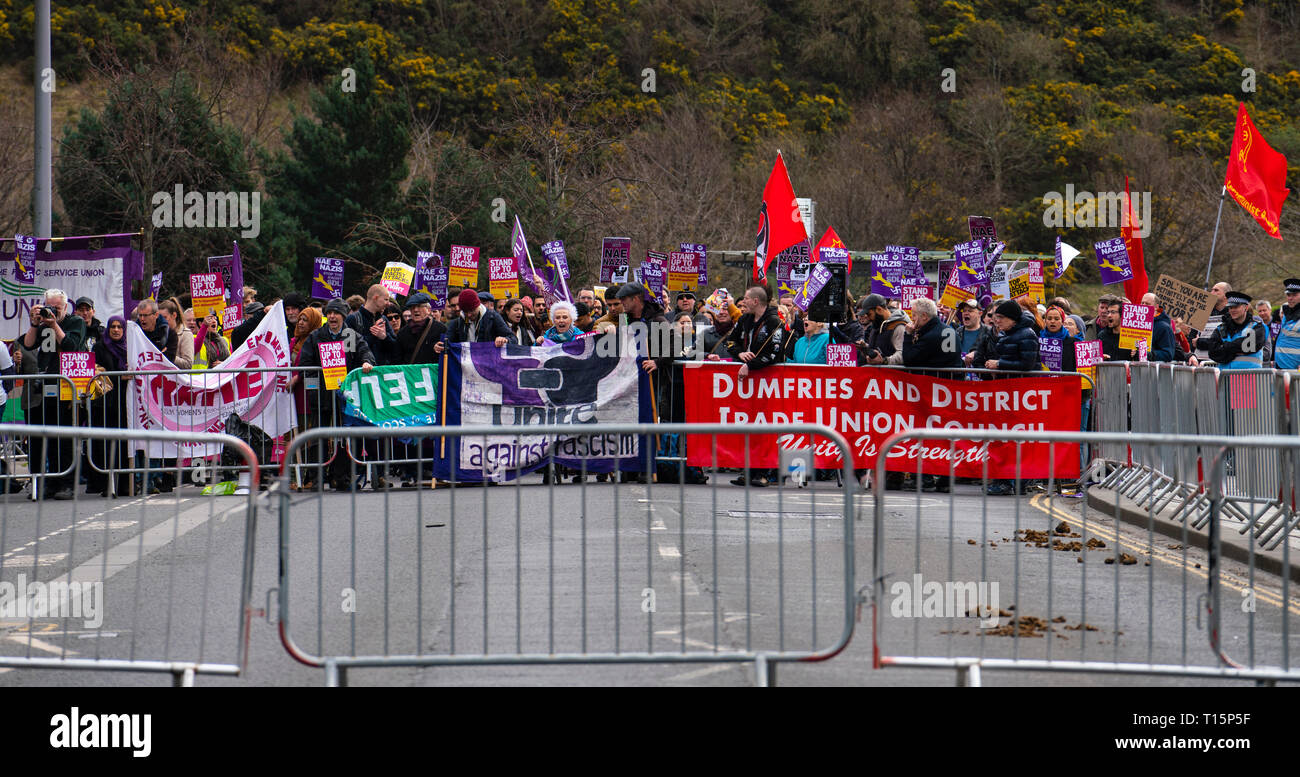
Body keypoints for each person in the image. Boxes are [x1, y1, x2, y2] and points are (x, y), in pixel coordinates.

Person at [294, 298, 376, 491]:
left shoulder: (352, 336)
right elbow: (305, 365)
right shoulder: (316, 336)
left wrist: (366, 362)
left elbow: (366, 353)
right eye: (329, 312)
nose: (332, 316)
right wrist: (322, 376)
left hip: (345, 397)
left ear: (343, 316)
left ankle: (342, 477)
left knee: (344, 437)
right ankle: (317, 478)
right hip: (322, 396)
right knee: (318, 437)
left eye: (336, 313)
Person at [711, 286, 784, 487]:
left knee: (765, 428)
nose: (741, 303)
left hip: (768, 384)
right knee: (747, 426)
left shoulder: (774, 321)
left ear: (755, 301)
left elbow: (774, 354)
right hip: (746, 383)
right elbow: (731, 342)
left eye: (745, 299)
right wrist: (740, 355)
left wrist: (750, 365)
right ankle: (748, 470)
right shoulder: (744, 320)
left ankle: (763, 473)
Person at [18, 289, 87, 499]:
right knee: (43, 438)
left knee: (64, 437)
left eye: (56, 308)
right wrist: (34, 323)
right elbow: (28, 344)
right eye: (49, 306)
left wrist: (54, 323)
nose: (52, 311)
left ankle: (66, 483)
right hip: (44, 386)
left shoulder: (75, 322)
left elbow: (71, 347)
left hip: (67, 388)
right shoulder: (43, 324)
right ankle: (45, 482)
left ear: (65, 307)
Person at [86, 315, 132, 497]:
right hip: (105, 403)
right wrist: (118, 376)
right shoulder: (100, 346)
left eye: (119, 327)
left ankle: (124, 485)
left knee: (123, 444)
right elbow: (96, 374)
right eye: (112, 326)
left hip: (124, 403)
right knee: (105, 445)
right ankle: (107, 484)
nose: (115, 330)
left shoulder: (129, 348)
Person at [1196, 290, 1267, 369]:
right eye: (1230, 307)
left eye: (1236, 307)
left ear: (1246, 307)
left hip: (1248, 377)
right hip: (1225, 378)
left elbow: (1250, 346)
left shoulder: (1257, 326)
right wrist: (1237, 349)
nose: (1232, 310)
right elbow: (1213, 352)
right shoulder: (1221, 328)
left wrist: (1224, 348)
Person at [436, 289, 512, 351]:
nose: (469, 315)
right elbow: (447, 341)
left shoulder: (493, 317)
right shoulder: (457, 322)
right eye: (465, 311)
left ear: (478, 306)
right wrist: (438, 346)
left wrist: (504, 339)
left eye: (471, 310)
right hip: (467, 366)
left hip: (488, 364)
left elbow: (512, 338)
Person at [346, 285, 399, 365]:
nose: (388, 304)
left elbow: (395, 348)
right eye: (386, 300)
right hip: (361, 372)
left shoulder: (383, 319)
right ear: (376, 298)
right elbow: (349, 349)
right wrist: (373, 335)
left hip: (381, 373)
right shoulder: (352, 319)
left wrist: (384, 337)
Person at [394, 292, 445, 364]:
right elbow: (397, 360)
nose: (415, 310)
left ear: (429, 310)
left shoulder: (440, 329)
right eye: (412, 307)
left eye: (419, 306)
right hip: (410, 374)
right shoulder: (403, 333)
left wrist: (434, 348)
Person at [1139, 292, 1177, 362]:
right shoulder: (1136, 323)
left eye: (1147, 304)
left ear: (1156, 307)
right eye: (1142, 303)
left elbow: (1168, 354)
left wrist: (1148, 354)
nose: (1143, 306)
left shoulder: (1164, 327)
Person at [158, 298, 195, 369]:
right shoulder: (158, 333)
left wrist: (168, 355)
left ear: (174, 315)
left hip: (178, 378)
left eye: (165, 317)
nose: (161, 321)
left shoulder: (185, 334)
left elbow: (188, 364)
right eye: (159, 318)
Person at [1273, 278, 1300, 369]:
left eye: (1294, 295)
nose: (1290, 298)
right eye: (1288, 294)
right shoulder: (1287, 312)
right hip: (1280, 365)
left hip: (1295, 369)